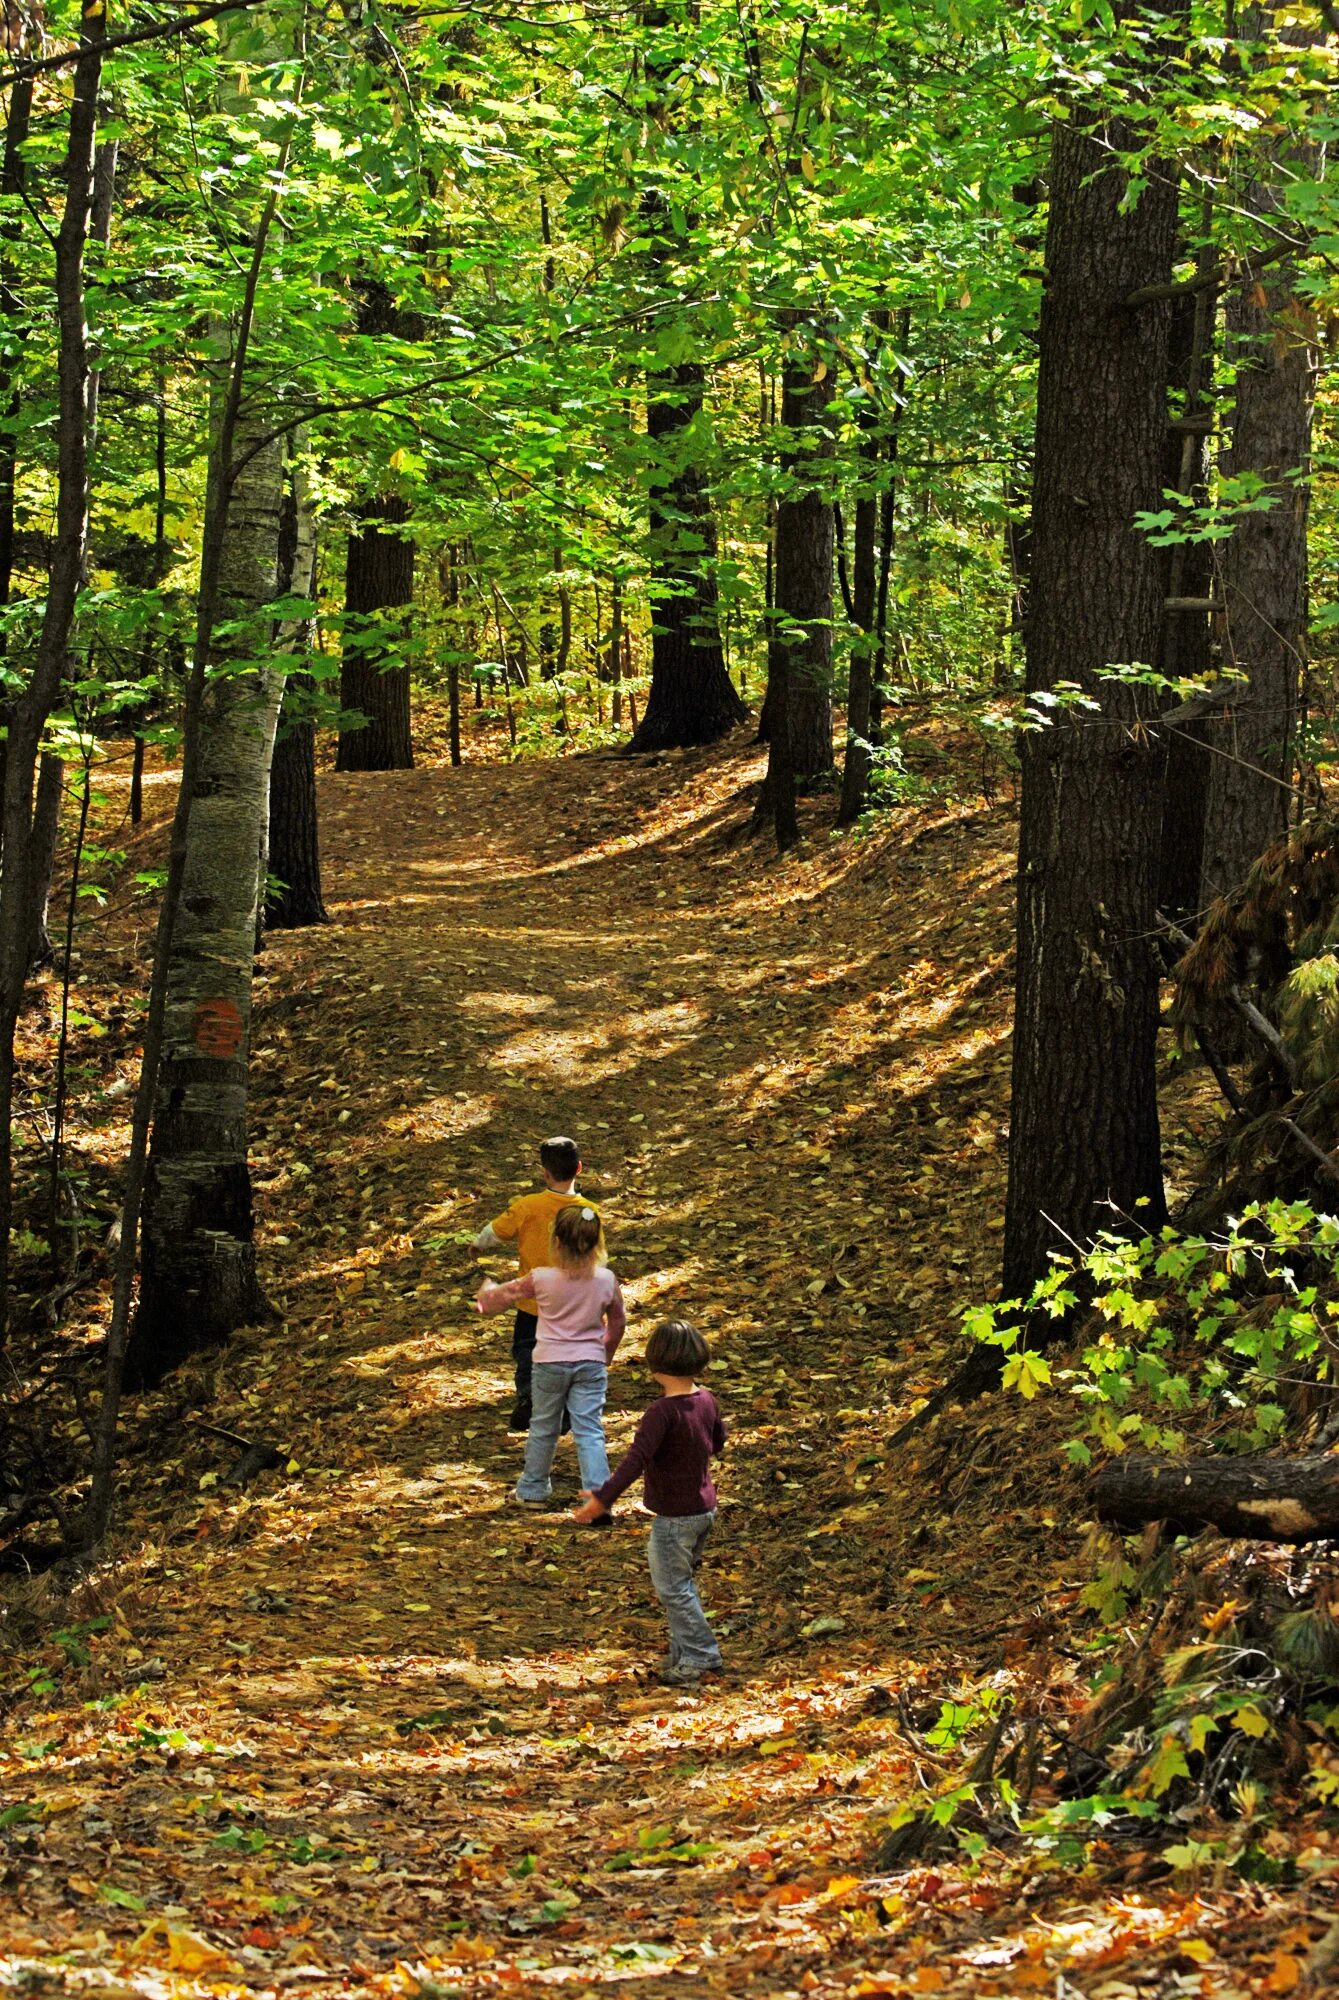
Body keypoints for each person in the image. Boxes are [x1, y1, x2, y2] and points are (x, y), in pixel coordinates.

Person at [573, 1318, 725, 1685]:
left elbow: (635, 1460)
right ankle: (683, 1654)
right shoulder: (706, 1400)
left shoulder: (662, 1413)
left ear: (655, 1364)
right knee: (681, 1585)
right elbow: (717, 1441)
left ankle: (702, 1656)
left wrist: (602, 1500)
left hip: (674, 1518)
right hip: (704, 1508)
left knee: (674, 1588)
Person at [476, 1204, 624, 1519]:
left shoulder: (541, 1279)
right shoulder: (606, 1281)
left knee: (543, 1426)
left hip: (549, 1364)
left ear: (555, 1243)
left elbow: (501, 1297)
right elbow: (617, 1323)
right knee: (589, 1429)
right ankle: (598, 1496)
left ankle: (532, 1490)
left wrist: (486, 1293)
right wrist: (606, 1353)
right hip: (589, 1364)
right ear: (597, 1243)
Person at [473, 1135, 596, 1430]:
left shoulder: (529, 1206)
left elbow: (496, 1230)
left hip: (533, 1301)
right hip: (572, 1302)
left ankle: (529, 1396)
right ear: (579, 1168)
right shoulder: (590, 1211)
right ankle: (566, 1404)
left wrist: (478, 1244)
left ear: (544, 1172)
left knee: (528, 1348)